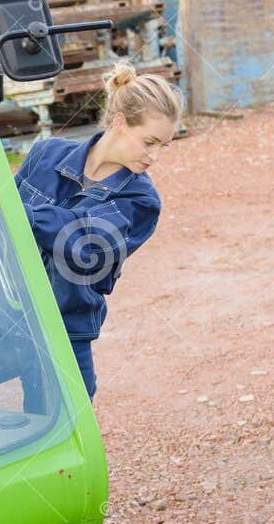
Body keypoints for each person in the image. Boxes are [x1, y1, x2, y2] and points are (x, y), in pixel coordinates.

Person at [13, 62, 183, 399]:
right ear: (119, 122)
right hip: (0, 317)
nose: (155, 156)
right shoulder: (46, 154)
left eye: (163, 146)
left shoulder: (140, 200)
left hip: (63, 333)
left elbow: (83, 242)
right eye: (149, 142)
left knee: (70, 425)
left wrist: (21, 215)